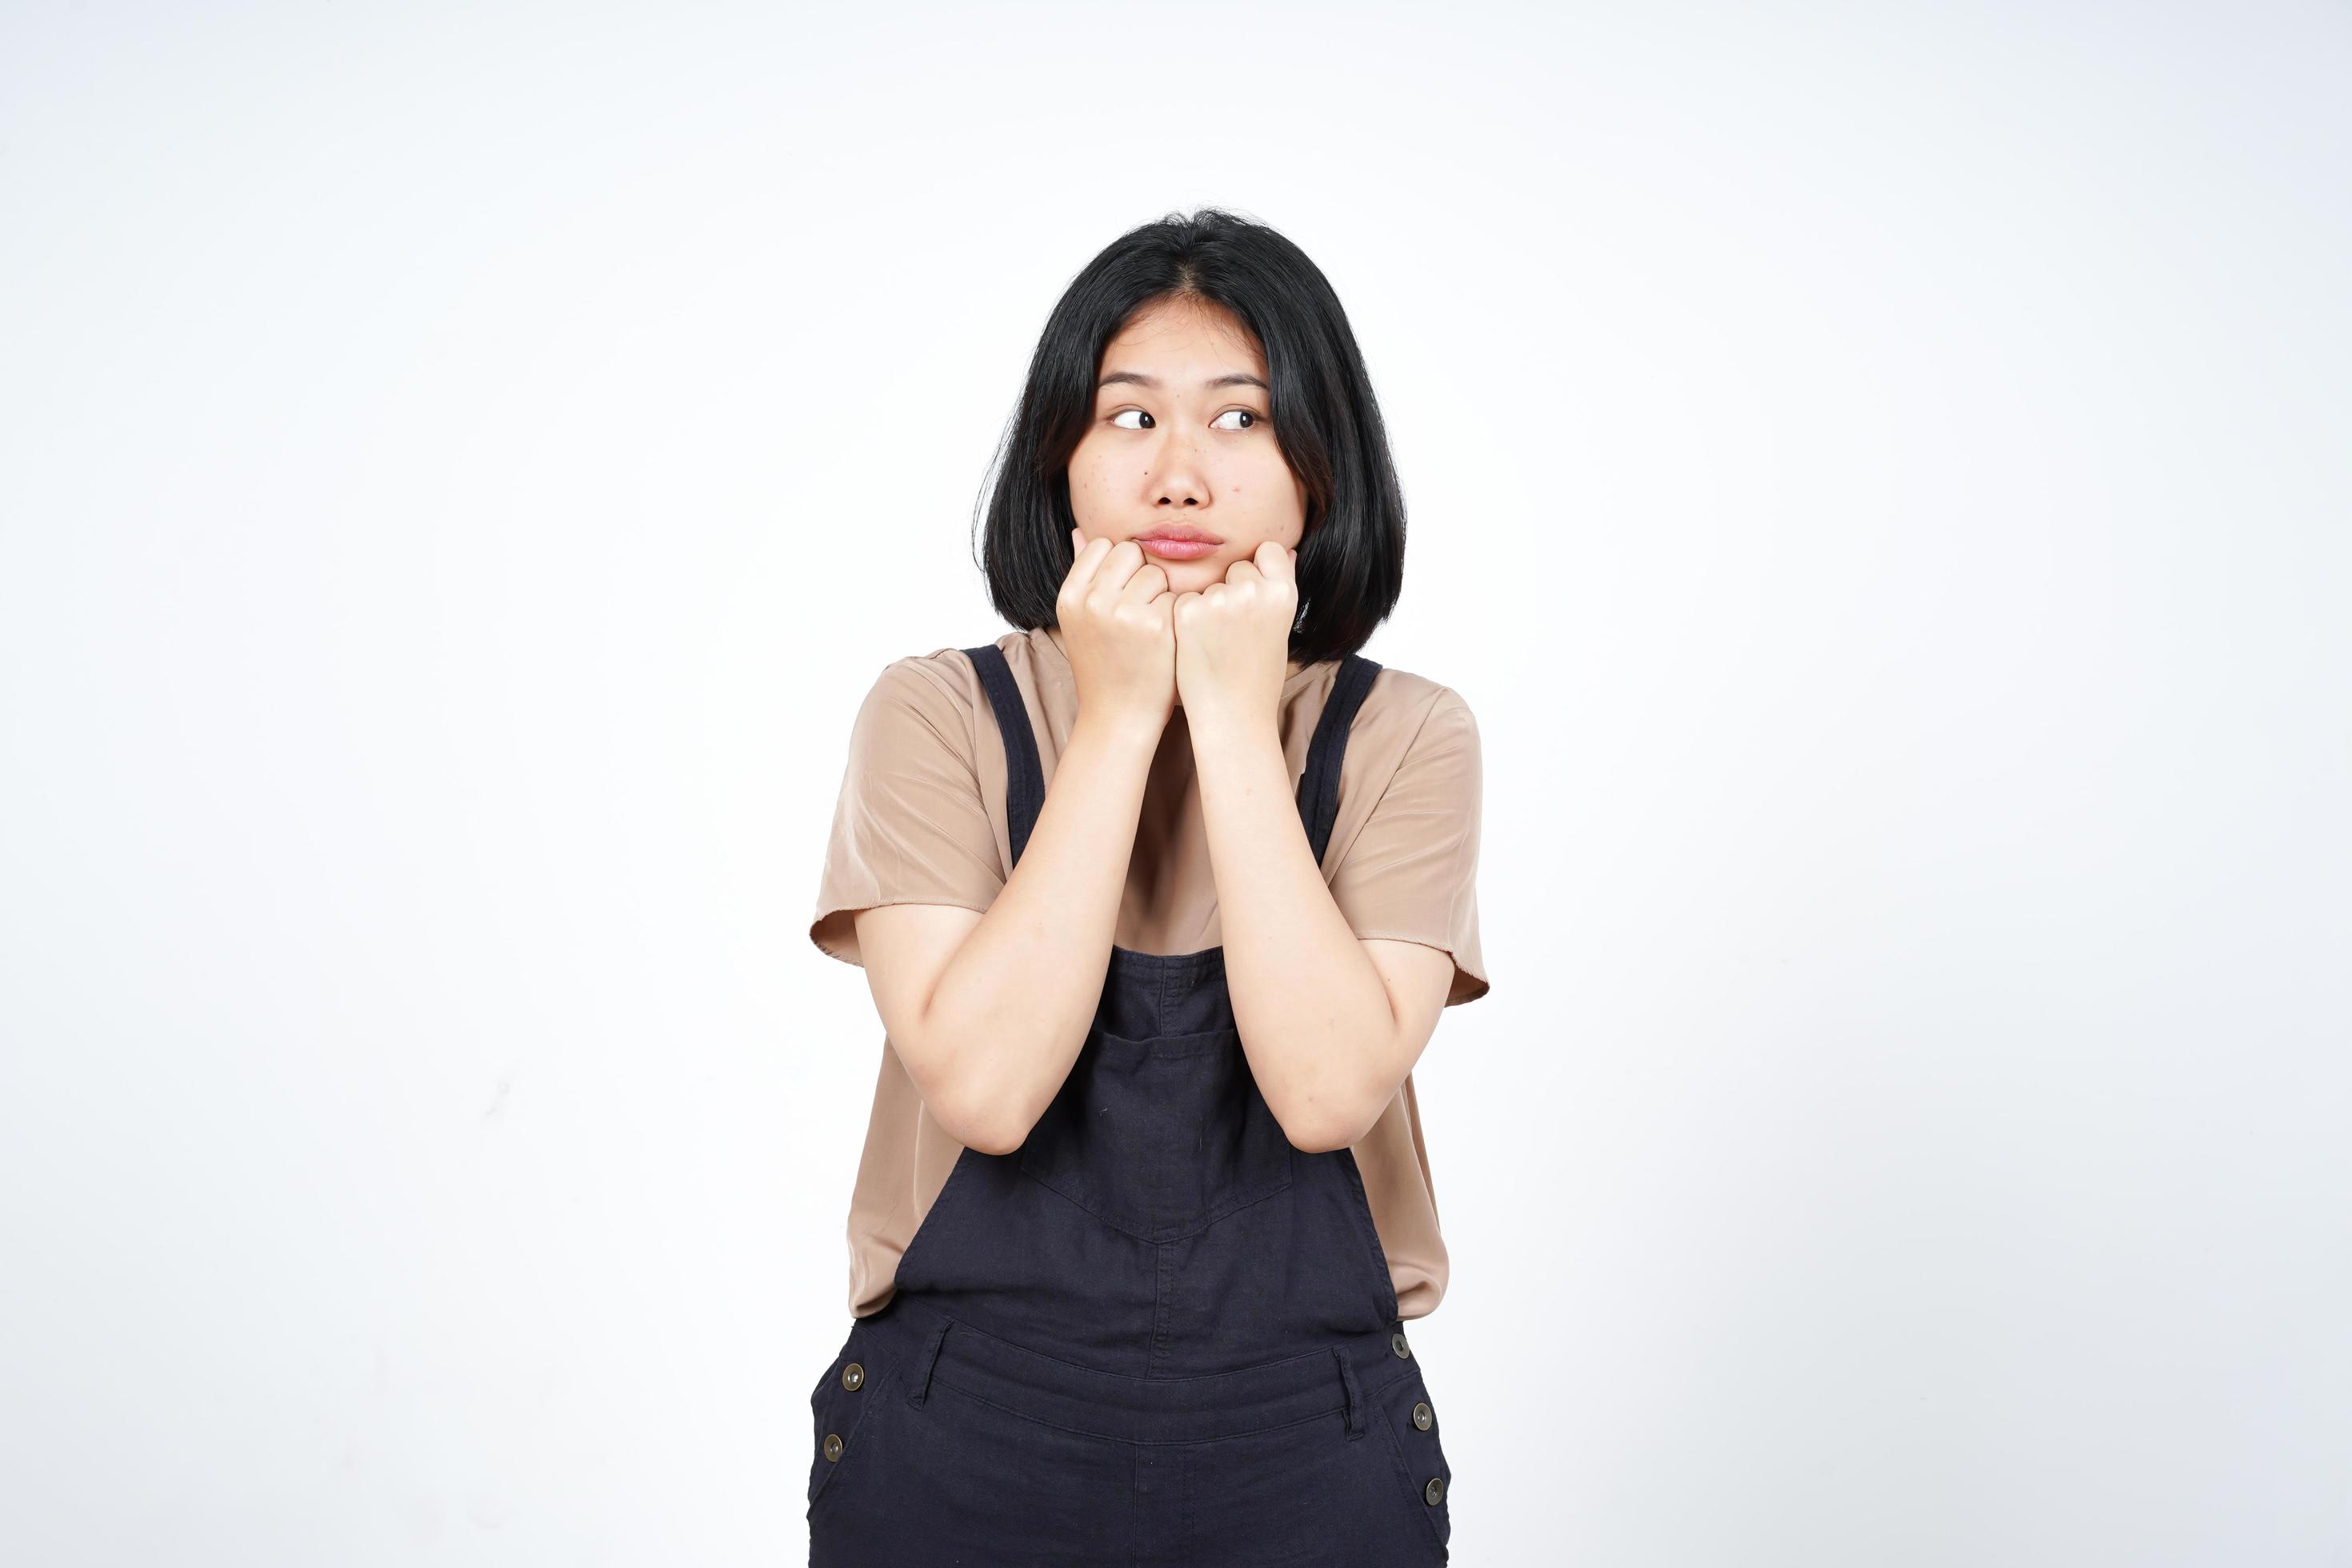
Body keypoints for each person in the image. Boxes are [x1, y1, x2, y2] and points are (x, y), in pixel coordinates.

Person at [802, 206, 1488, 1565]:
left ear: (1320, 473)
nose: (1181, 477)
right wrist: (1119, 721)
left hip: (1304, 1445)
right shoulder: (938, 714)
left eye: (1240, 421)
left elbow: (1324, 1091)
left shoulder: (1408, 735)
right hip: (963, 1435)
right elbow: (987, 1094)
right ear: (1062, 461)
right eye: (1130, 418)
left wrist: (1232, 722)